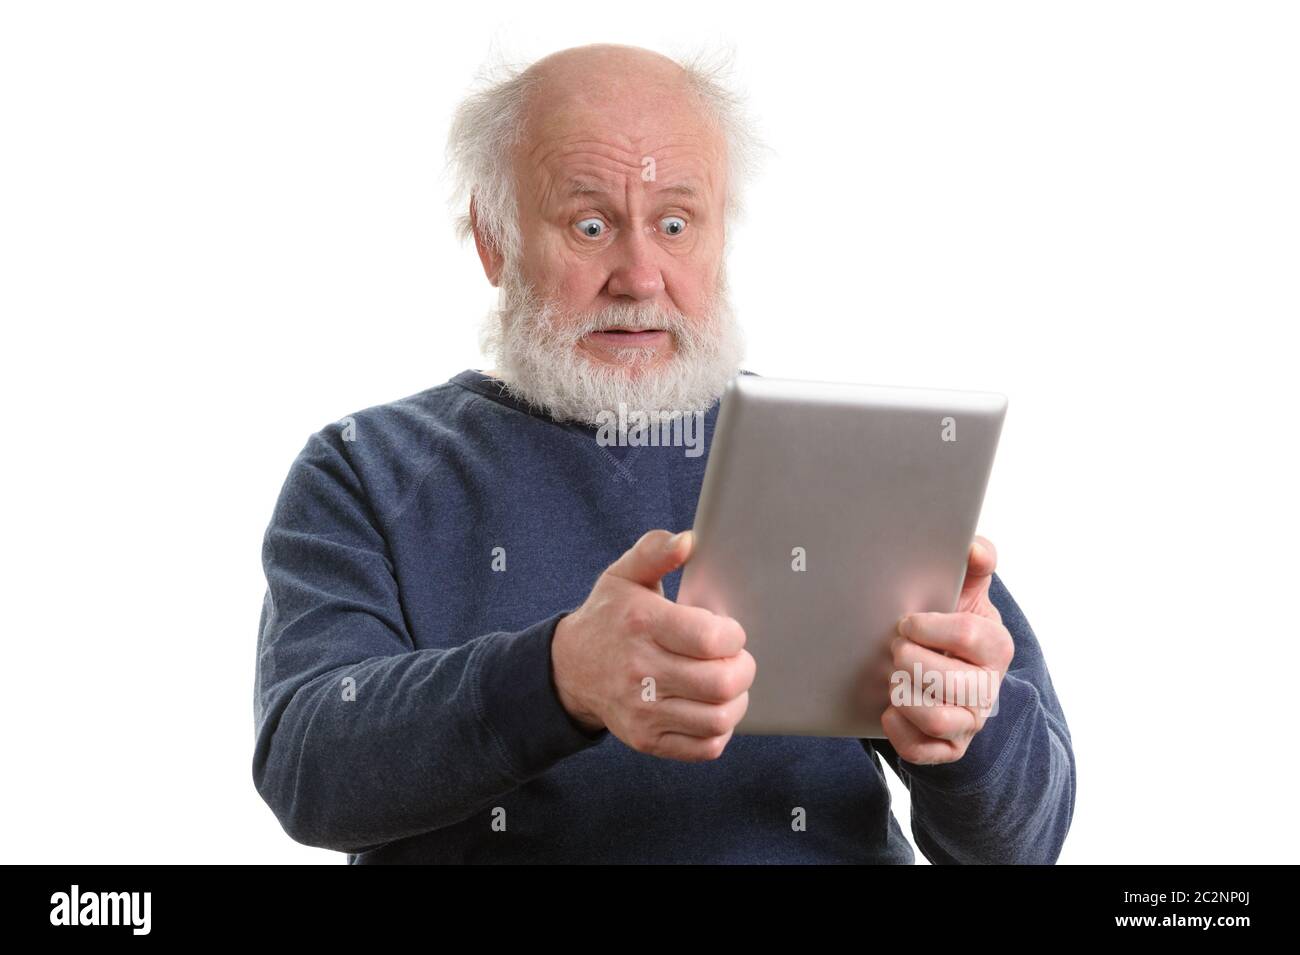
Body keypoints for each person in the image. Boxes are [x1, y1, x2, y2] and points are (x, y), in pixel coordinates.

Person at [252, 42, 1075, 863]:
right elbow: (308, 765)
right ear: (492, 239)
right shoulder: (365, 472)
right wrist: (561, 676)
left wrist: (971, 726)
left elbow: (1024, 845)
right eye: (590, 224)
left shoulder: (833, 459)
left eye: (675, 223)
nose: (640, 276)